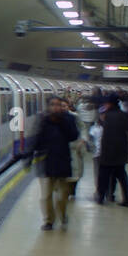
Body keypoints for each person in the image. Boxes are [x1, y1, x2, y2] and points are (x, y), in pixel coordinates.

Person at [29, 96, 79, 229]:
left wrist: (62, 121)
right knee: (45, 196)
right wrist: (28, 156)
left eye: (58, 105)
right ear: (48, 106)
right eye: (53, 105)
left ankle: (62, 215)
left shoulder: (69, 119)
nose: (55, 107)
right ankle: (48, 220)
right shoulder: (42, 120)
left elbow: (73, 136)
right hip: (46, 163)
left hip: (63, 162)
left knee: (62, 196)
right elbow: (35, 139)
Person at [97, 97, 128, 206]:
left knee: (103, 177)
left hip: (108, 152)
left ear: (109, 104)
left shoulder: (107, 116)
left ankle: (101, 197)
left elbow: (106, 134)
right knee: (122, 178)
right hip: (120, 152)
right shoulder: (123, 115)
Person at [64, 99, 85, 201]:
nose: (63, 108)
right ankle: (65, 191)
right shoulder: (54, 118)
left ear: (68, 106)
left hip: (75, 147)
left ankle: (72, 190)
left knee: (75, 172)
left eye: (65, 106)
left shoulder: (75, 116)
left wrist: (82, 140)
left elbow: (83, 128)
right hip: (62, 149)